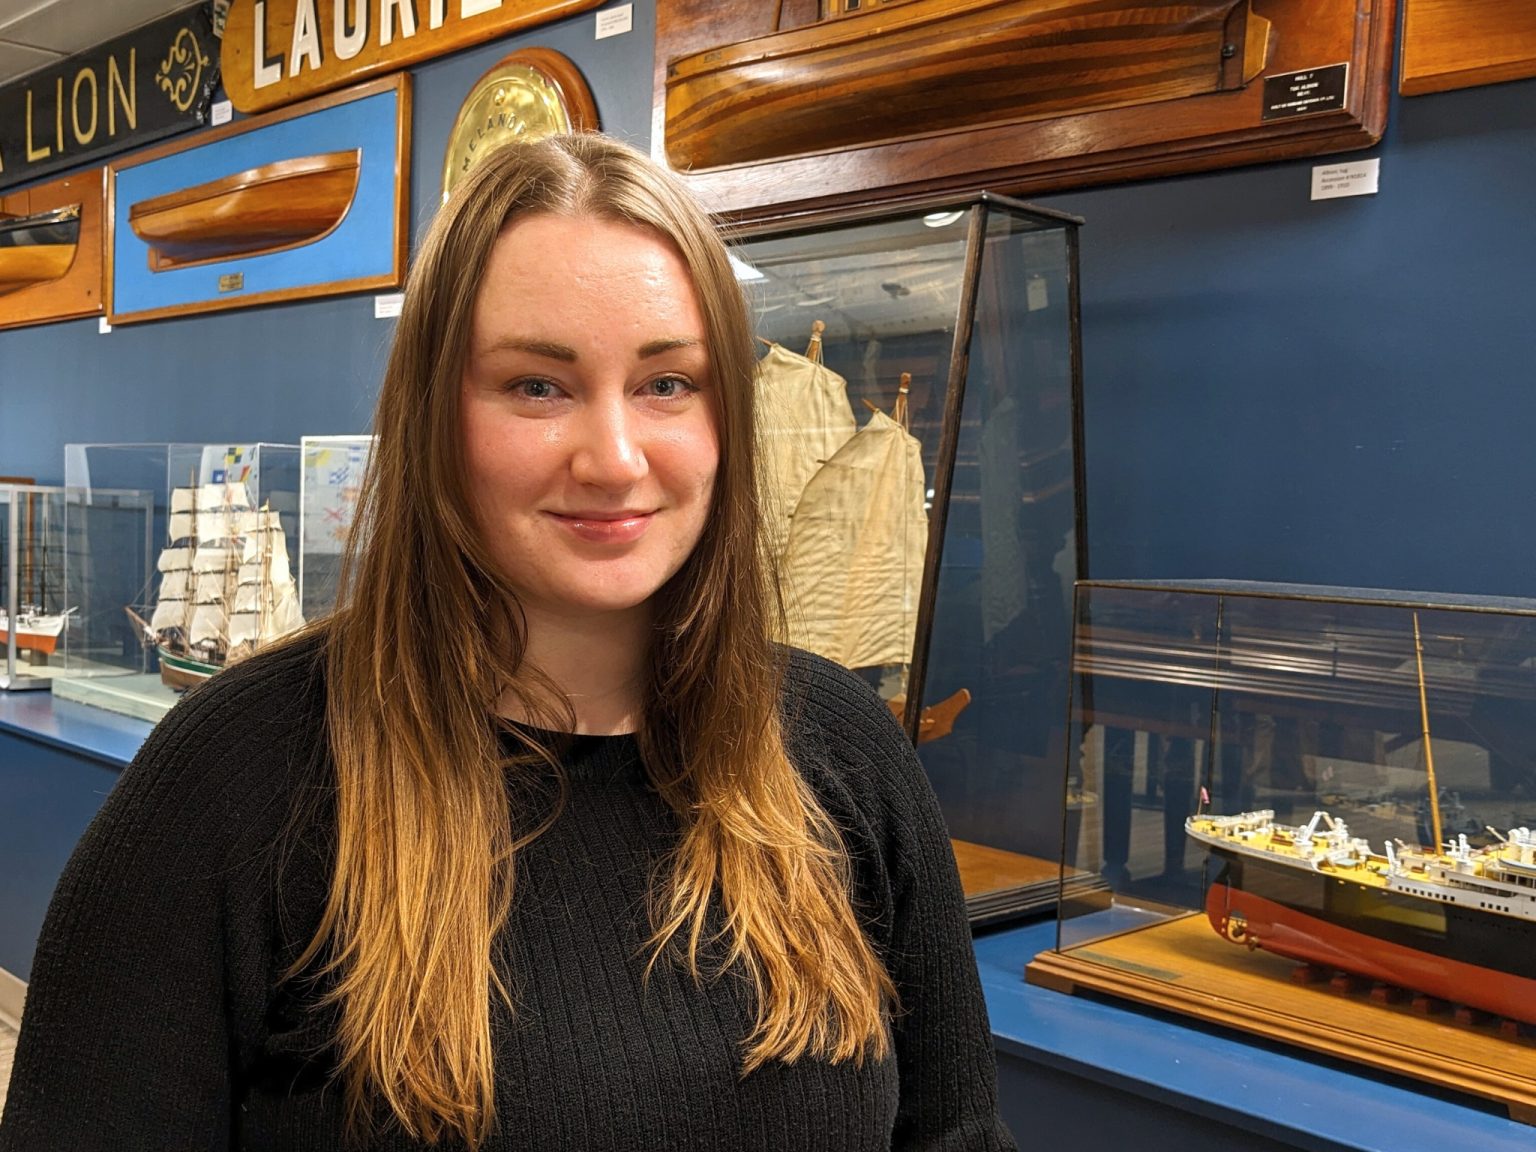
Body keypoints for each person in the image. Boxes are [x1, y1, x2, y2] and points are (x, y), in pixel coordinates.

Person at [0, 133, 1015, 1151]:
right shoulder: (233, 782)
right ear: (435, 413)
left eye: (668, 384)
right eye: (538, 385)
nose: (615, 460)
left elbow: (957, 1135)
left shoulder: (840, 750)